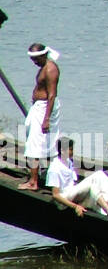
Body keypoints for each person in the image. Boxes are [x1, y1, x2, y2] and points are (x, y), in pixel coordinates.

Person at [20, 43, 61, 190]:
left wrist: (46, 119)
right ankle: (36, 177)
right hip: (39, 107)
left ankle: (33, 181)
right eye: (32, 59)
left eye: (36, 58)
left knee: (34, 144)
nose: (34, 62)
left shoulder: (50, 69)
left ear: (43, 55)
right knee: (33, 141)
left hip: (45, 108)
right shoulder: (44, 67)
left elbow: (52, 95)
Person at [46, 137, 108, 217]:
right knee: (91, 185)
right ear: (62, 151)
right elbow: (55, 195)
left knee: (99, 174)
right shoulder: (54, 168)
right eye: (71, 150)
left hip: (72, 192)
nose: (73, 152)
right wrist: (75, 206)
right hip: (63, 199)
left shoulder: (69, 162)